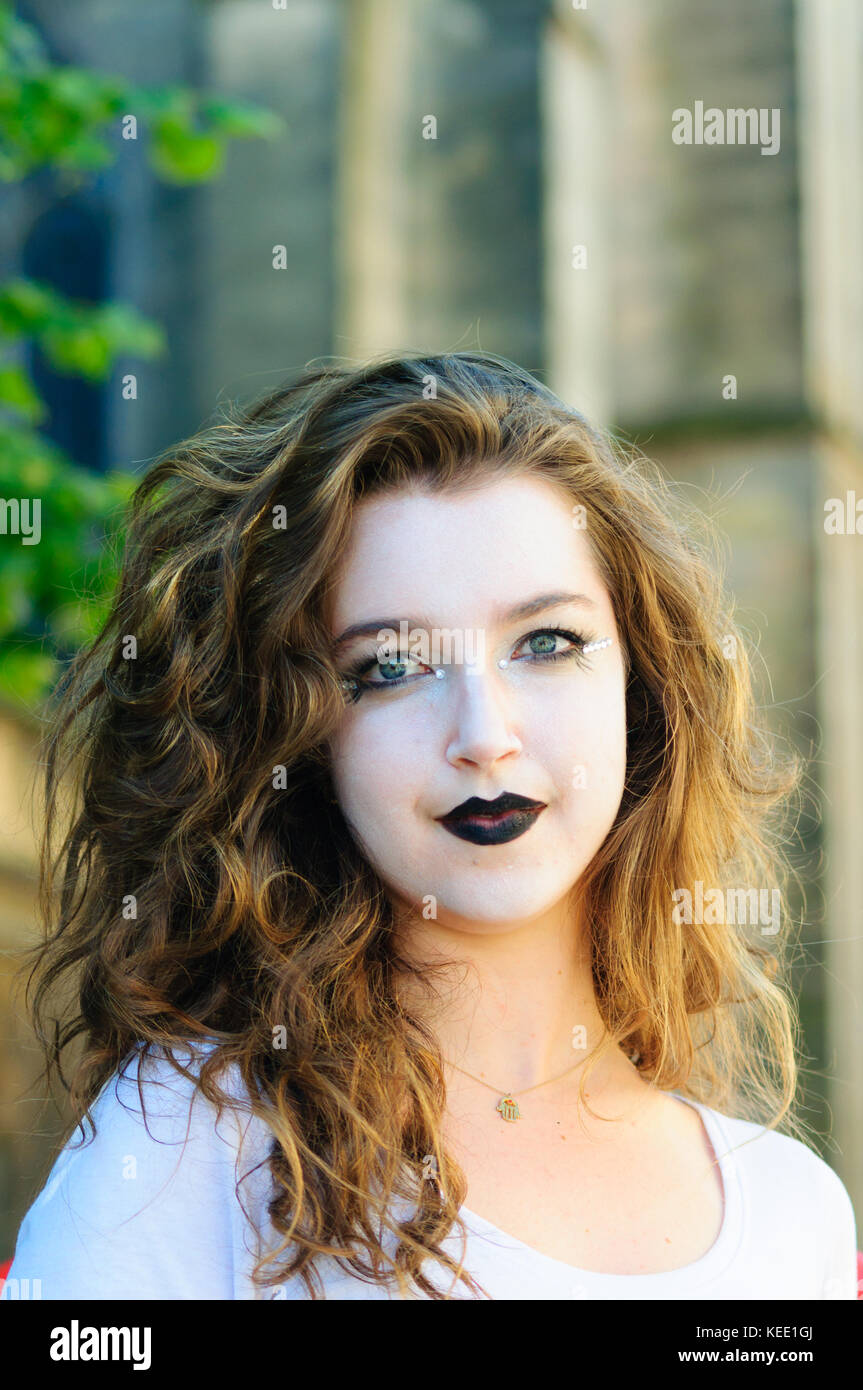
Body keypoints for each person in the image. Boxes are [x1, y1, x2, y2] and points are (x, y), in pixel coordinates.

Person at [4, 351, 858, 1300]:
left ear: (642, 691)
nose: (484, 736)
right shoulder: (185, 1150)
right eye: (389, 669)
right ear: (301, 736)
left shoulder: (792, 1215)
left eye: (547, 643)